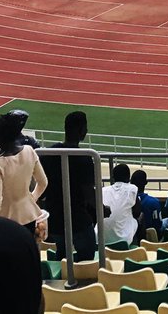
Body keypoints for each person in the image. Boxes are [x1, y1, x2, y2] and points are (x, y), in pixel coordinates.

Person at [39, 111, 99, 262]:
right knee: (88, 257)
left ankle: (64, 278)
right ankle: (84, 283)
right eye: (85, 127)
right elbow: (89, 194)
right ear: (80, 130)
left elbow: (41, 187)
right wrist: (102, 208)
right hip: (78, 219)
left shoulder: (48, 154)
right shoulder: (85, 158)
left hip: (55, 217)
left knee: (62, 255)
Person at [0, 113, 48, 234]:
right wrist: (30, 199)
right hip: (29, 215)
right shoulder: (29, 150)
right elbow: (43, 182)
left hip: (6, 220)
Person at [101, 163, 139, 246]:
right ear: (128, 177)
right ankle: (138, 248)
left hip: (101, 238)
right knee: (139, 219)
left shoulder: (103, 191)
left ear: (113, 178)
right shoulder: (132, 188)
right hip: (123, 239)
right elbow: (137, 213)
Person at [132, 170, 162, 241]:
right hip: (150, 239)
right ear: (146, 183)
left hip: (134, 238)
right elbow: (158, 225)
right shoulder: (154, 202)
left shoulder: (127, 202)